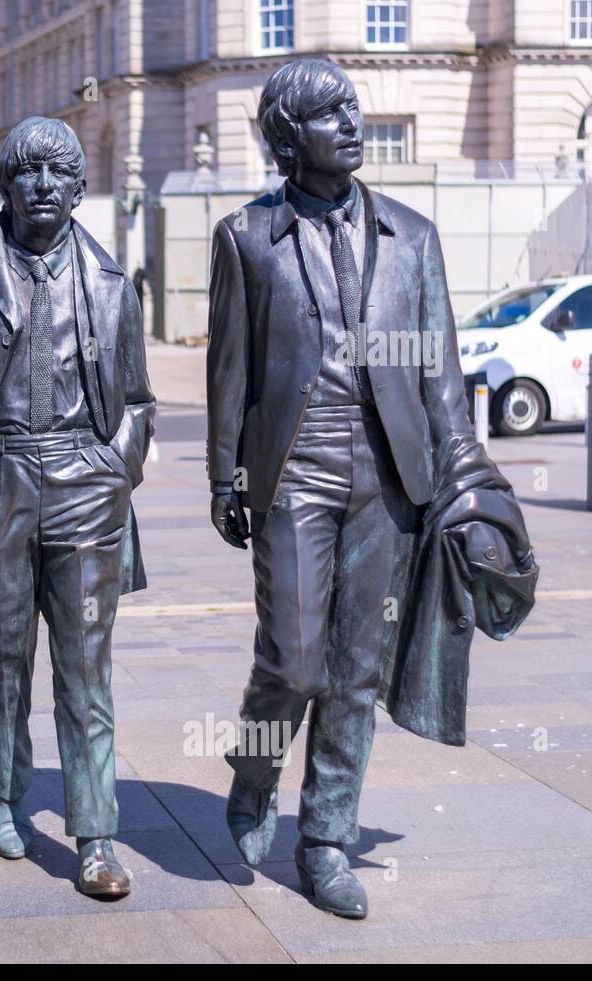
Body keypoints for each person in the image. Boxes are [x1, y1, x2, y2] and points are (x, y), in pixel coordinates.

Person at [206, 59, 472, 917]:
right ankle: (253, 768)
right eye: (329, 115)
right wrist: (225, 475)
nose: (352, 124)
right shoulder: (247, 237)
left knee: (357, 668)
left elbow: (442, 375)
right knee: (292, 655)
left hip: (389, 471)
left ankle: (325, 840)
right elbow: (229, 371)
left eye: (353, 109)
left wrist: (459, 472)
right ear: (287, 139)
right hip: (294, 466)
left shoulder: (414, 237)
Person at [0, 117, 155, 898]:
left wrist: (115, 466)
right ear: (5, 186)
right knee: (3, 657)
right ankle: (3, 791)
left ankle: (95, 836)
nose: (43, 185)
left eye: (59, 172)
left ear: (81, 187)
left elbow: (139, 400)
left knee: (87, 668)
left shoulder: (111, 284)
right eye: (27, 172)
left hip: (86, 485)